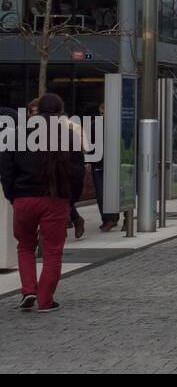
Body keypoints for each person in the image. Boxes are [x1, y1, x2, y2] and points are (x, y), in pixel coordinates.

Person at [1, 93, 84, 311]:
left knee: (25, 246)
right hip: (55, 199)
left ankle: (28, 290)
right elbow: (77, 174)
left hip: (24, 199)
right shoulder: (68, 136)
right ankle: (45, 299)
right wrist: (70, 201)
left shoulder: (17, 135)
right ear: (60, 111)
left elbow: (6, 171)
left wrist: (12, 196)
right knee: (53, 250)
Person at [90, 100, 119, 231]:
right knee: (101, 193)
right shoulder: (94, 125)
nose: (102, 114)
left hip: (112, 162)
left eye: (104, 112)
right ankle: (108, 219)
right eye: (101, 112)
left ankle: (113, 218)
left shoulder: (118, 125)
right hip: (99, 163)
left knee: (117, 192)